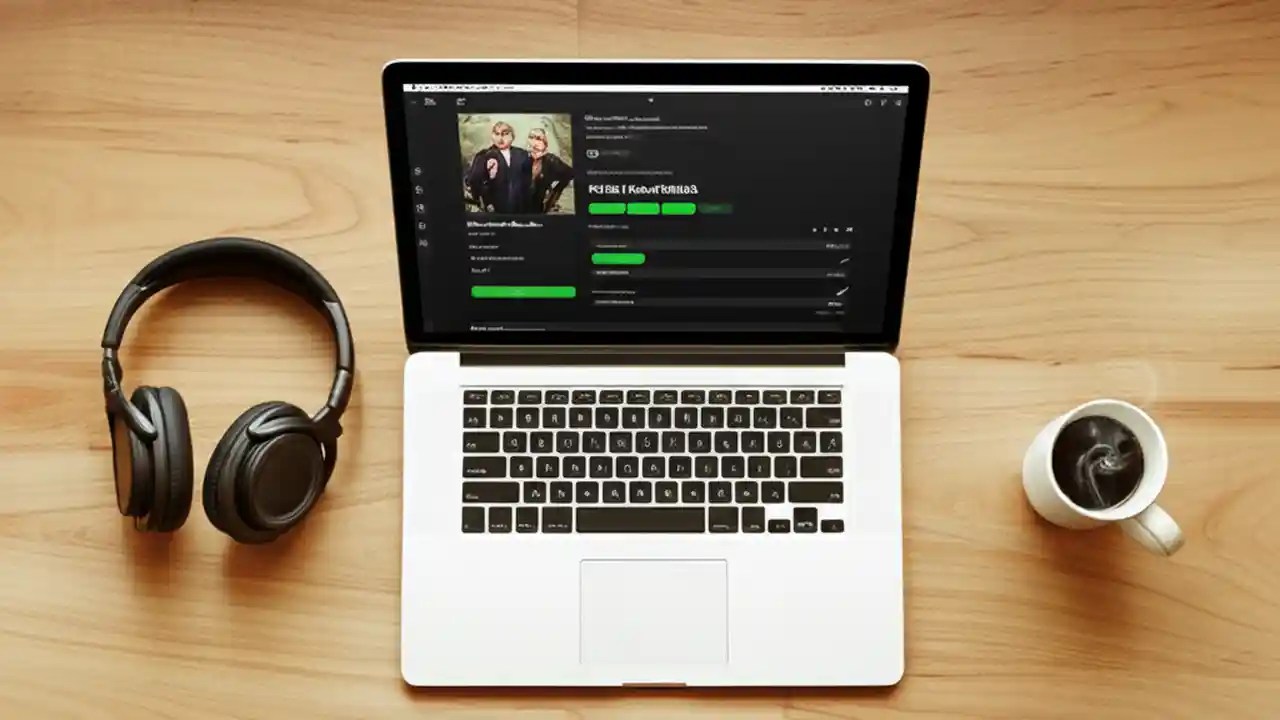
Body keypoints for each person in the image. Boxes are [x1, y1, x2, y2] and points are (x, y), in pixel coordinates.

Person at [464, 121, 531, 214]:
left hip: (520, 207)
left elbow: (528, 181)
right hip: (495, 207)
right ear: (492, 136)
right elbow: (474, 180)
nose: (500, 138)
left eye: (505, 134)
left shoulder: (522, 154)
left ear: (512, 136)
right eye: (497, 134)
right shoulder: (484, 155)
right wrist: (487, 202)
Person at [526, 127, 574, 214]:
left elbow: (570, 174)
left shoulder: (551, 160)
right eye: (531, 137)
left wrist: (553, 196)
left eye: (538, 138)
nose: (534, 142)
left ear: (545, 143)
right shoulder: (520, 157)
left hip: (539, 210)